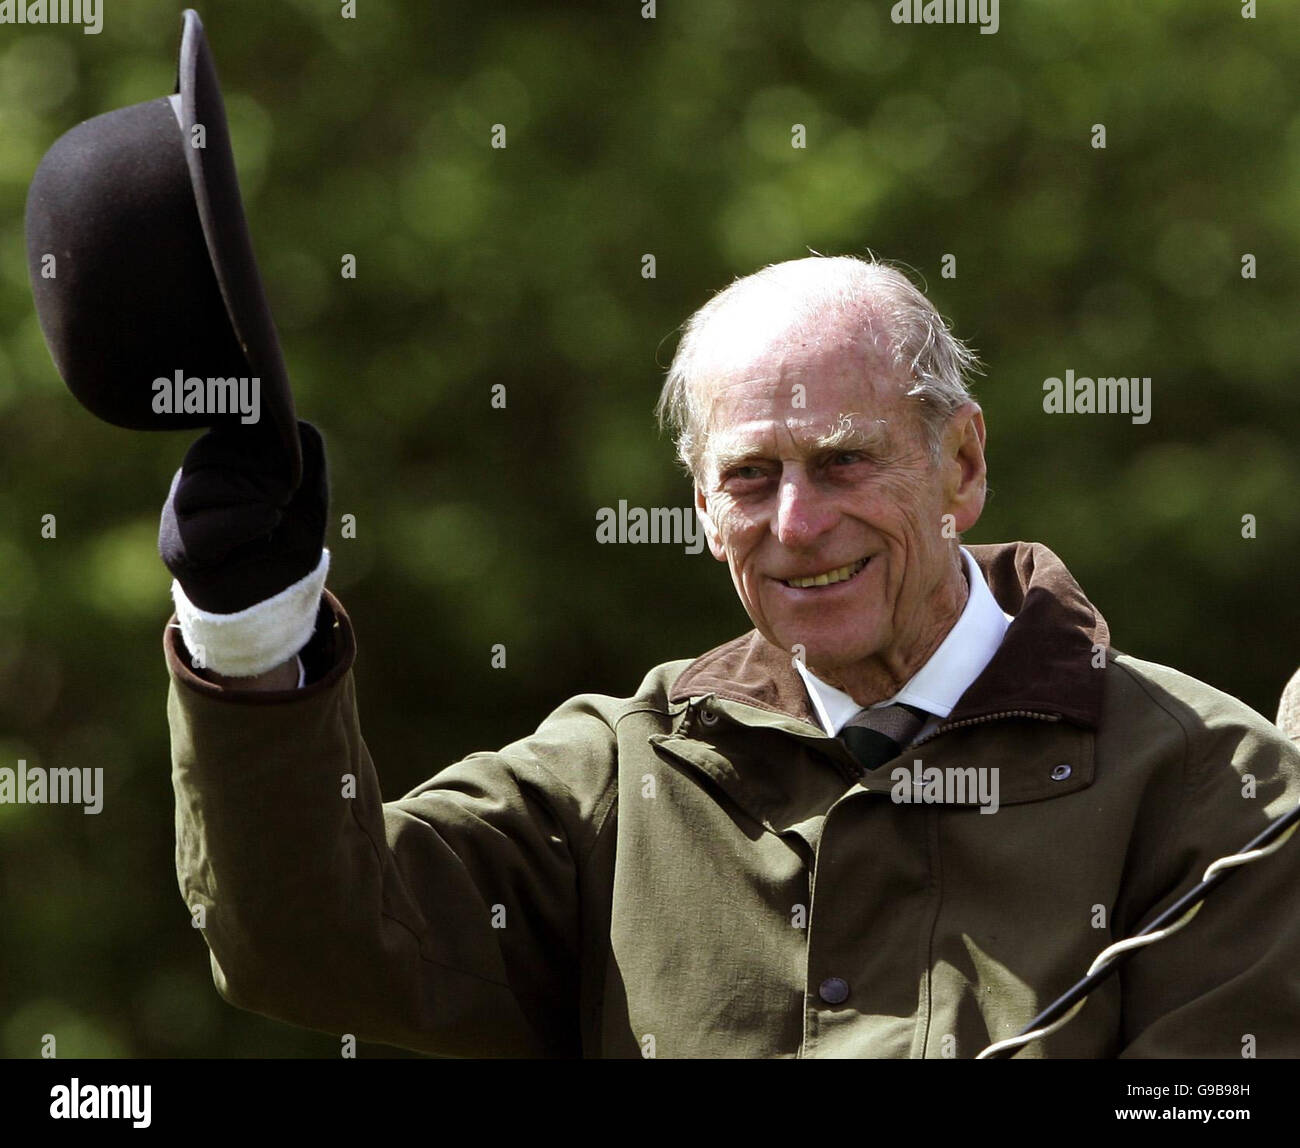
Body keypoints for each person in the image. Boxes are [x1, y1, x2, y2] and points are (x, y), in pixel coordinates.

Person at [161, 254, 1300, 1058]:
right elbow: (312, 943)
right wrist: (249, 621)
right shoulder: (621, 775)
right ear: (703, 506)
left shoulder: (1218, 783)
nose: (797, 524)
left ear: (960, 464)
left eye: (845, 462)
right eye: (751, 477)